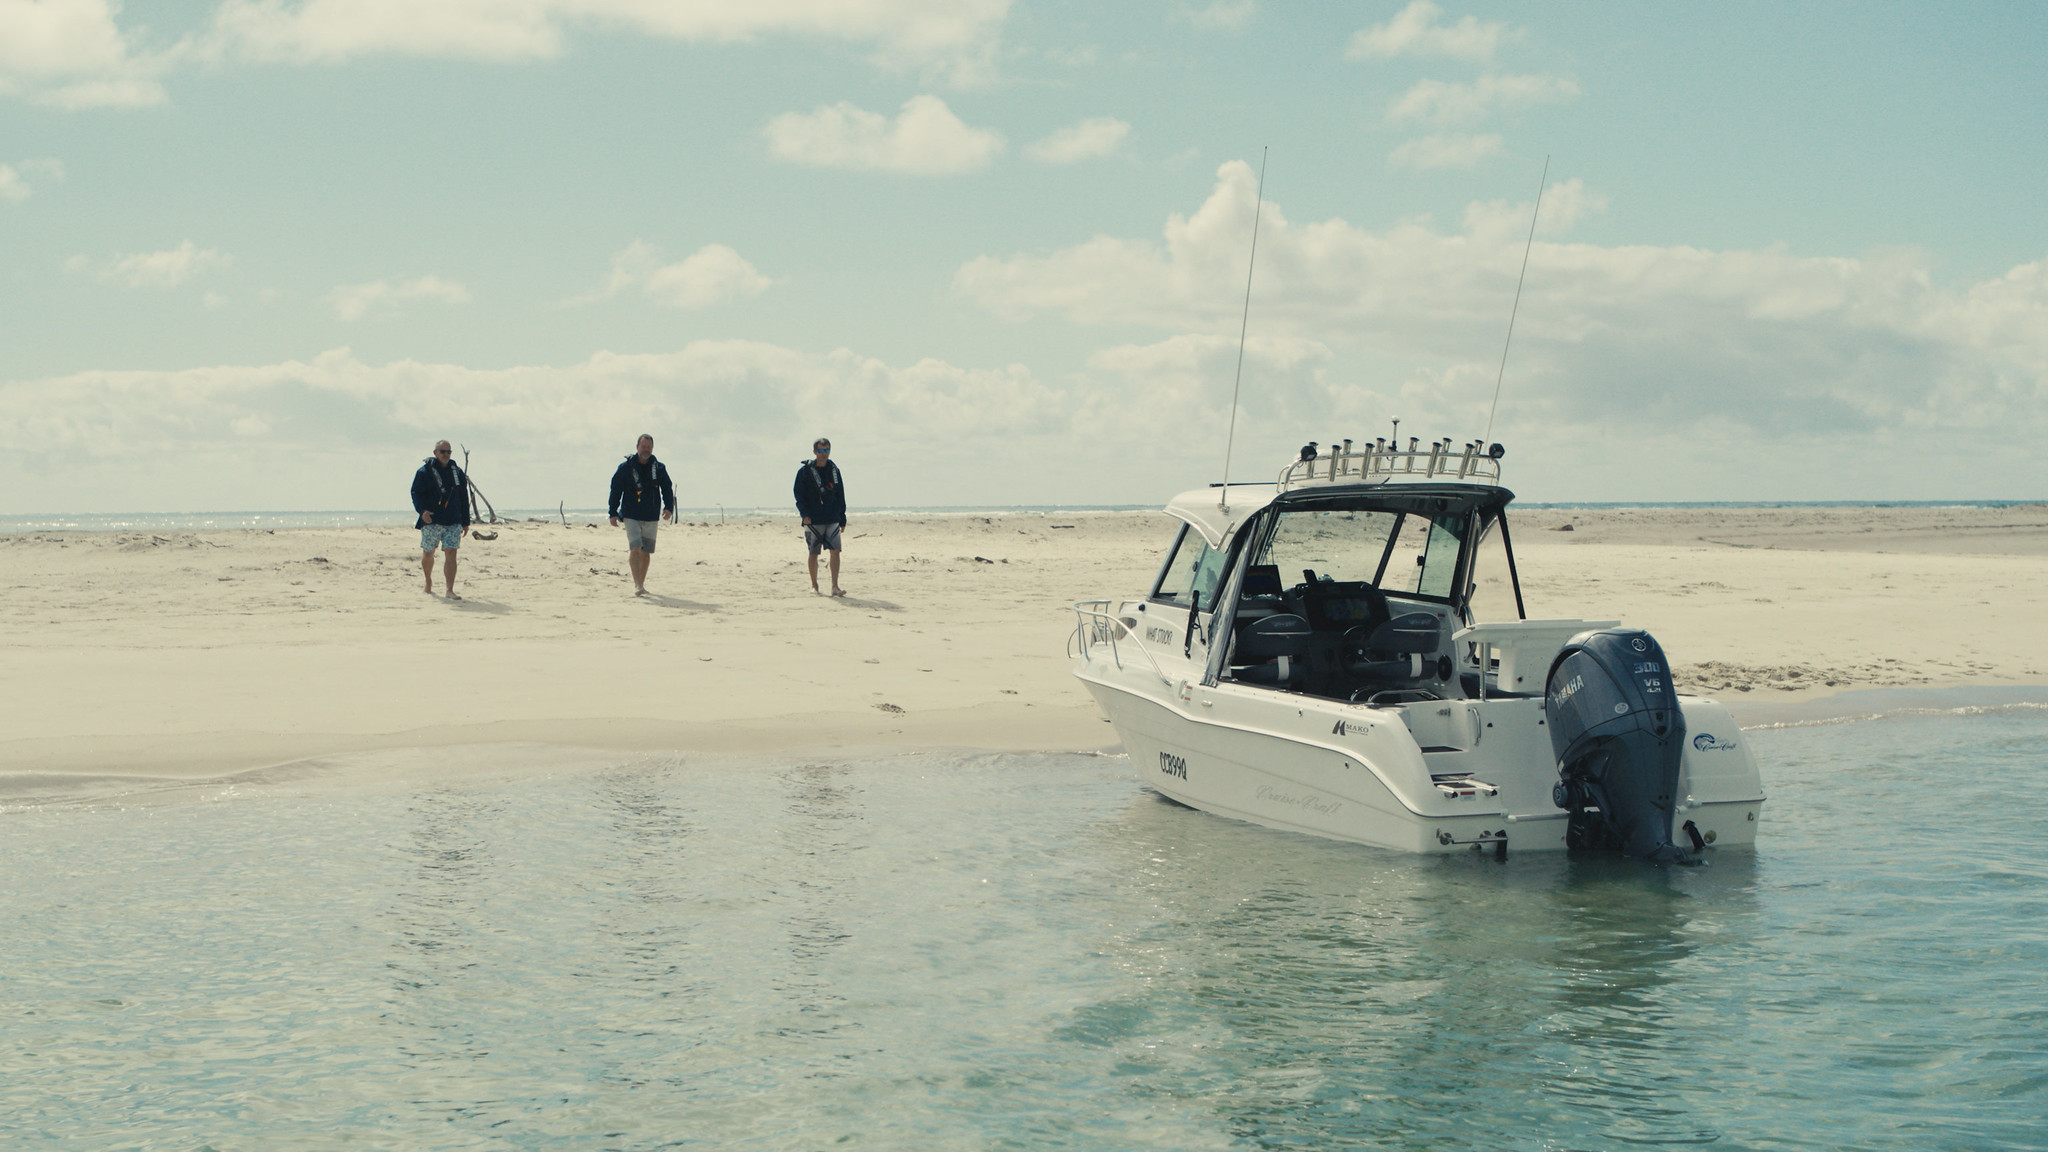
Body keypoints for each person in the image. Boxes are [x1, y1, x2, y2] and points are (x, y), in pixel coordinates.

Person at [608, 433, 675, 596]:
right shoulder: (625, 468)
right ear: (637, 447)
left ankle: (642, 583)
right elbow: (615, 489)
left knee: (646, 551)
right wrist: (613, 512)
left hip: (651, 515)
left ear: (652, 448)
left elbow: (667, 488)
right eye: (643, 446)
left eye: (649, 447)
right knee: (635, 548)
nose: (646, 449)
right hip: (631, 514)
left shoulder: (659, 468)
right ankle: (637, 584)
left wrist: (669, 508)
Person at [411, 440, 470, 599]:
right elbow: (416, 494)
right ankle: (428, 581)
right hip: (431, 520)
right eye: (442, 451)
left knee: (451, 553)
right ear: (435, 453)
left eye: (448, 452)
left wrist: (465, 521)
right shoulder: (424, 472)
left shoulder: (457, 472)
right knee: (428, 553)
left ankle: (449, 590)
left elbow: (464, 497)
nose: (445, 455)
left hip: (453, 520)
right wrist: (422, 511)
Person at [793, 437, 846, 596]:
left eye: (827, 450)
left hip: (832, 517)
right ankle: (814, 586)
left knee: (835, 551)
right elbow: (799, 495)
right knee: (813, 553)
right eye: (821, 451)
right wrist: (804, 514)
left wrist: (842, 517)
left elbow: (840, 494)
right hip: (813, 519)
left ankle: (835, 586)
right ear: (815, 451)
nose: (824, 454)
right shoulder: (804, 472)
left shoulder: (834, 471)